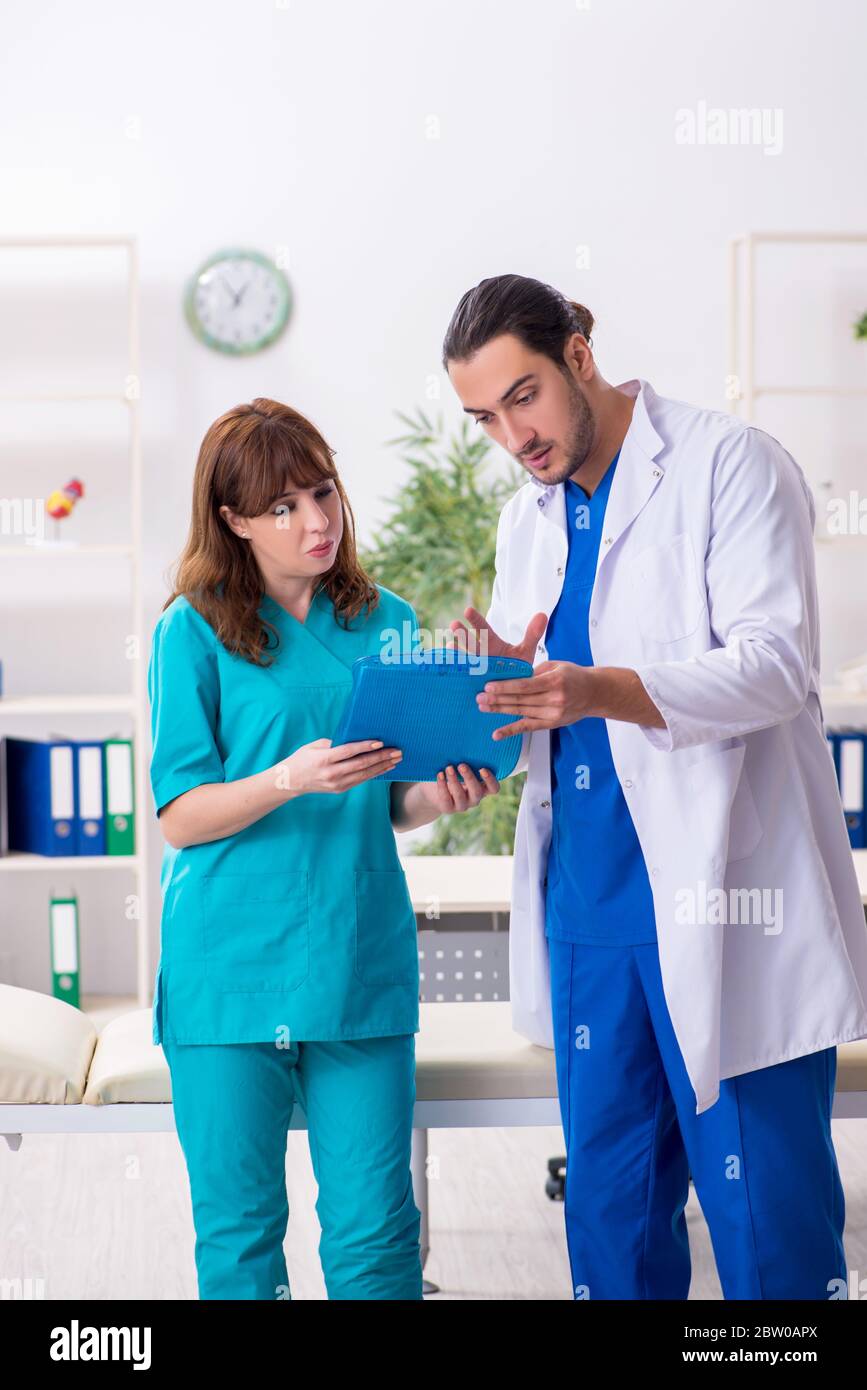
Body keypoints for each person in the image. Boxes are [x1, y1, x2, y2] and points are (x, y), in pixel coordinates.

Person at [441, 273, 867, 1300]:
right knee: (612, 1225)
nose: (513, 436)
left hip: (728, 905)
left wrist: (601, 688)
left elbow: (775, 667)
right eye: (485, 417)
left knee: (768, 1230)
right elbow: (542, 705)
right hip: (588, 916)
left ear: (579, 354)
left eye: (524, 396)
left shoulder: (731, 464)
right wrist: (489, 690)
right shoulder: (526, 521)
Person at [148, 396, 499, 1299]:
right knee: (240, 1235)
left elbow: (387, 801)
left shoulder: (387, 620)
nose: (316, 522)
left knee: (377, 1235)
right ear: (233, 520)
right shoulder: (191, 629)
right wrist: (287, 779)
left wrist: (440, 794)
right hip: (230, 968)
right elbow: (179, 815)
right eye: (283, 506)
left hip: (354, 958)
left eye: (323, 493)